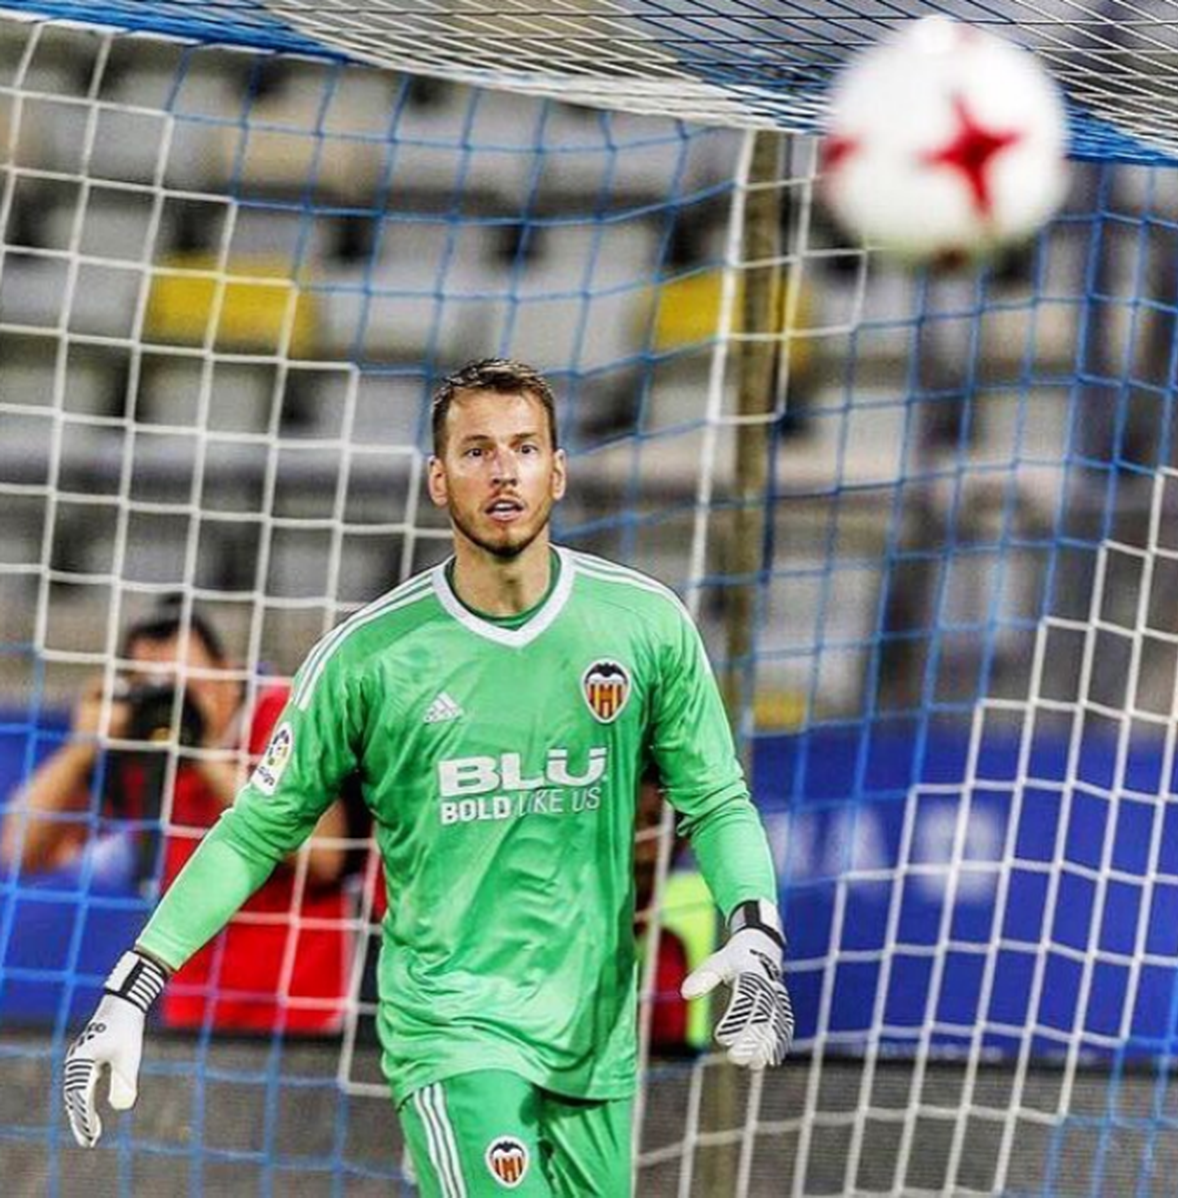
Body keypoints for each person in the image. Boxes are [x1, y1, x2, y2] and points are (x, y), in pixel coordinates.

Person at [62, 358, 793, 1195]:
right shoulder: (370, 656)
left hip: (595, 1034)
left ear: (557, 470)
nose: (504, 469)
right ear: (439, 482)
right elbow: (254, 830)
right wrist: (134, 985)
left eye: (524, 447)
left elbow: (716, 798)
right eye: (477, 451)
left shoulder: (644, 624)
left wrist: (757, 933)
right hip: (452, 1031)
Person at [3, 602, 351, 1033]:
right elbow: (19, 851)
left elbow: (324, 856)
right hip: (194, 1008)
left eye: (189, 686)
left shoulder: (282, 714)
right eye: (157, 689)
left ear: (228, 673)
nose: (175, 703)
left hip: (303, 1006)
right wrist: (82, 745)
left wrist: (202, 754)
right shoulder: (142, 748)